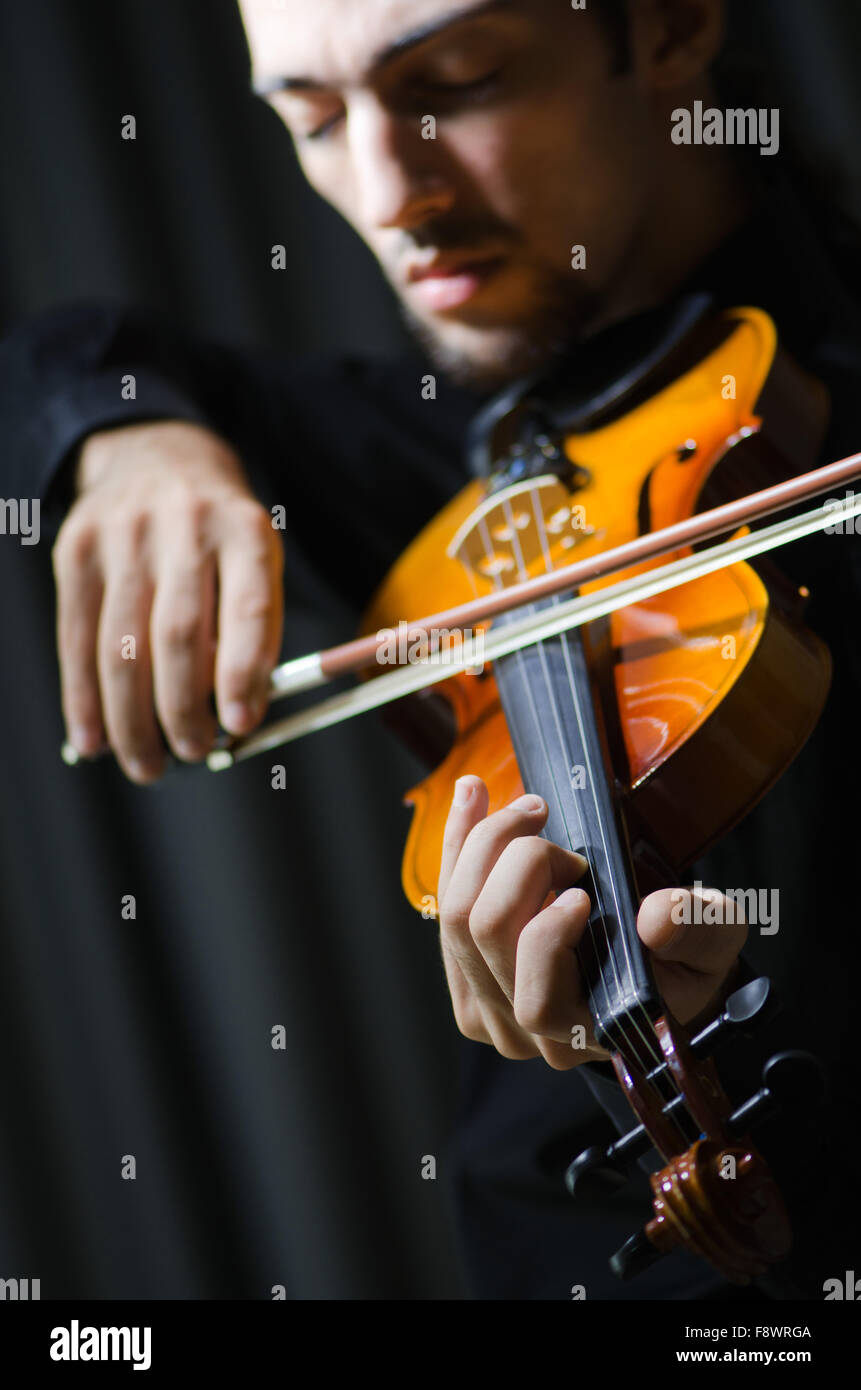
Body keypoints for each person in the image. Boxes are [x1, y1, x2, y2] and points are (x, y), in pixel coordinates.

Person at [3, 0, 861, 1299]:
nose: (388, 192)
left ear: (675, 28)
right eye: (312, 118)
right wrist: (134, 443)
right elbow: (73, 350)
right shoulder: (455, 464)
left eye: (455, 81)